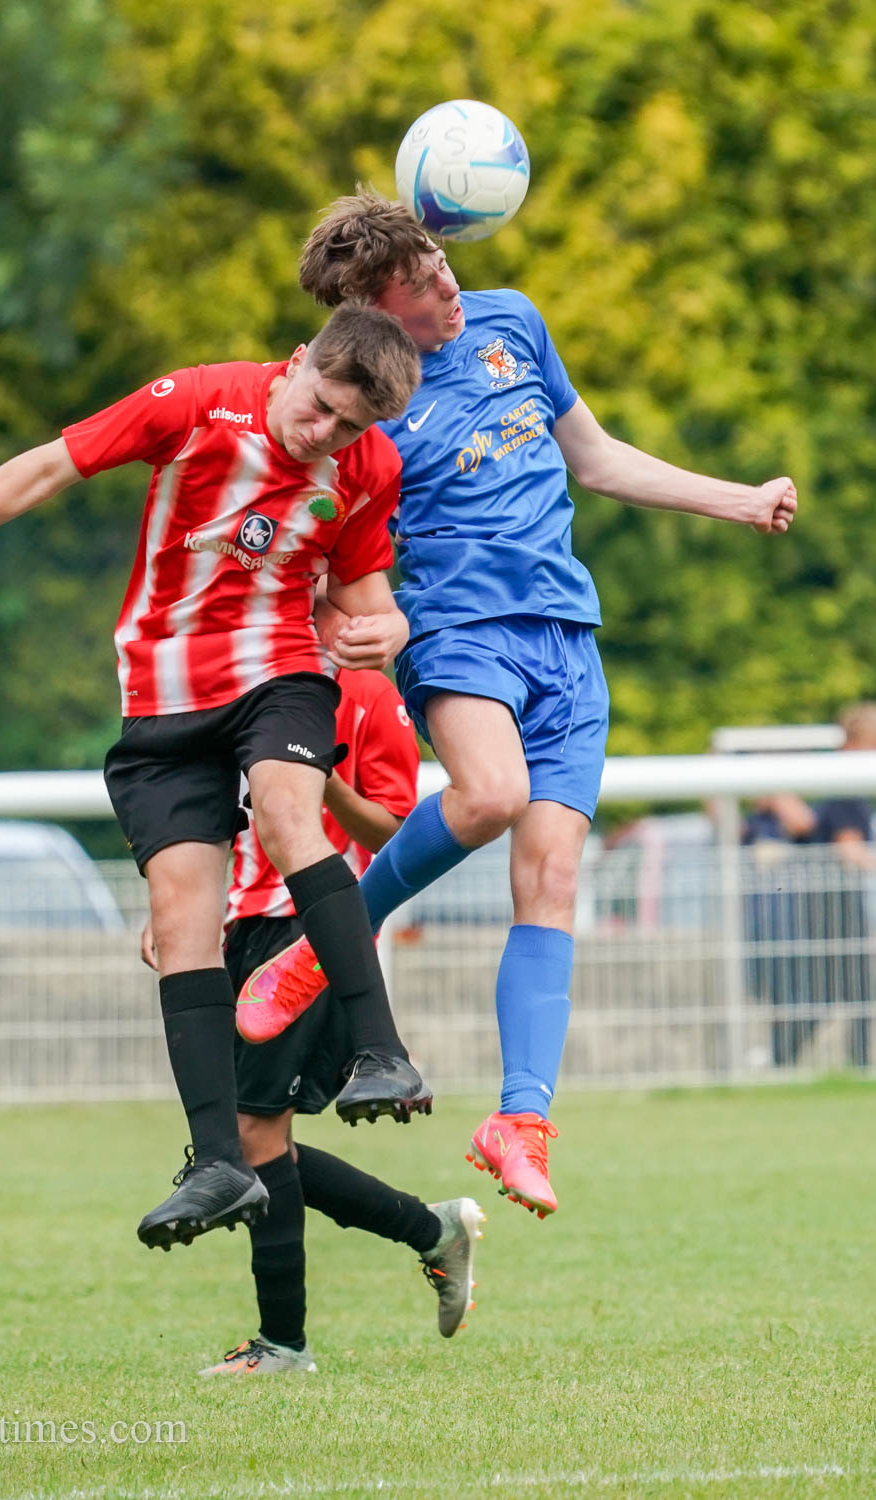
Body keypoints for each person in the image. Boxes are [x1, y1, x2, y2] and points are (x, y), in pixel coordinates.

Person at [239, 190, 799, 1219]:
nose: (448, 291)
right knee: (488, 794)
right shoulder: (361, 406)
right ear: (371, 312)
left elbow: (593, 457)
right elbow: (313, 540)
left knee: (550, 879)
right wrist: (371, 622)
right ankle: (320, 949)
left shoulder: (513, 322)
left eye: (443, 270)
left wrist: (736, 499)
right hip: (460, 631)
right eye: (420, 290)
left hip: (565, 636)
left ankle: (519, 1122)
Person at [0, 302, 433, 1253]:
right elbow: (47, 466)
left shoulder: (368, 468)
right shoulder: (199, 403)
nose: (323, 434)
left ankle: (383, 1050)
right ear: (297, 364)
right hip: (162, 699)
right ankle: (217, 1162)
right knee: (178, 916)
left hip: (280, 671)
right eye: (321, 407)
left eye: (349, 426)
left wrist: (392, 629)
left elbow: (369, 603)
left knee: (292, 821)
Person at [142, 663, 484, 1375]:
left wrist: (315, 777)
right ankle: (432, 1229)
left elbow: (394, 825)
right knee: (258, 1144)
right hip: (234, 928)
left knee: (250, 1136)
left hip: (307, 931)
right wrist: (176, 916)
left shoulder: (362, 692)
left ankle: (284, 1343)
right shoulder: (237, 671)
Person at [745, 703, 876, 1068]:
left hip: (817, 906)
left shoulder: (832, 783)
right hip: (836, 909)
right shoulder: (848, 789)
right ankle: (853, 1066)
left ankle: (782, 1060)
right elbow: (848, 849)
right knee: (851, 993)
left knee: (826, 994)